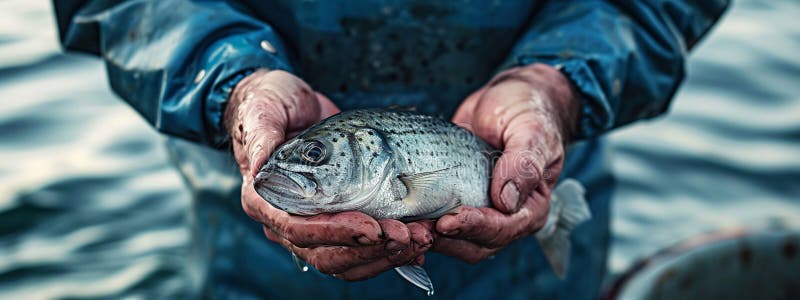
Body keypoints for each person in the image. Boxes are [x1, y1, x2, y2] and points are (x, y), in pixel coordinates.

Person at [54, 1, 728, 298]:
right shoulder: (280, 168)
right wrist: (233, 82)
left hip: (527, 233)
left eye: (315, 159)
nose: (297, 167)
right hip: (252, 260)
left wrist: (555, 84)